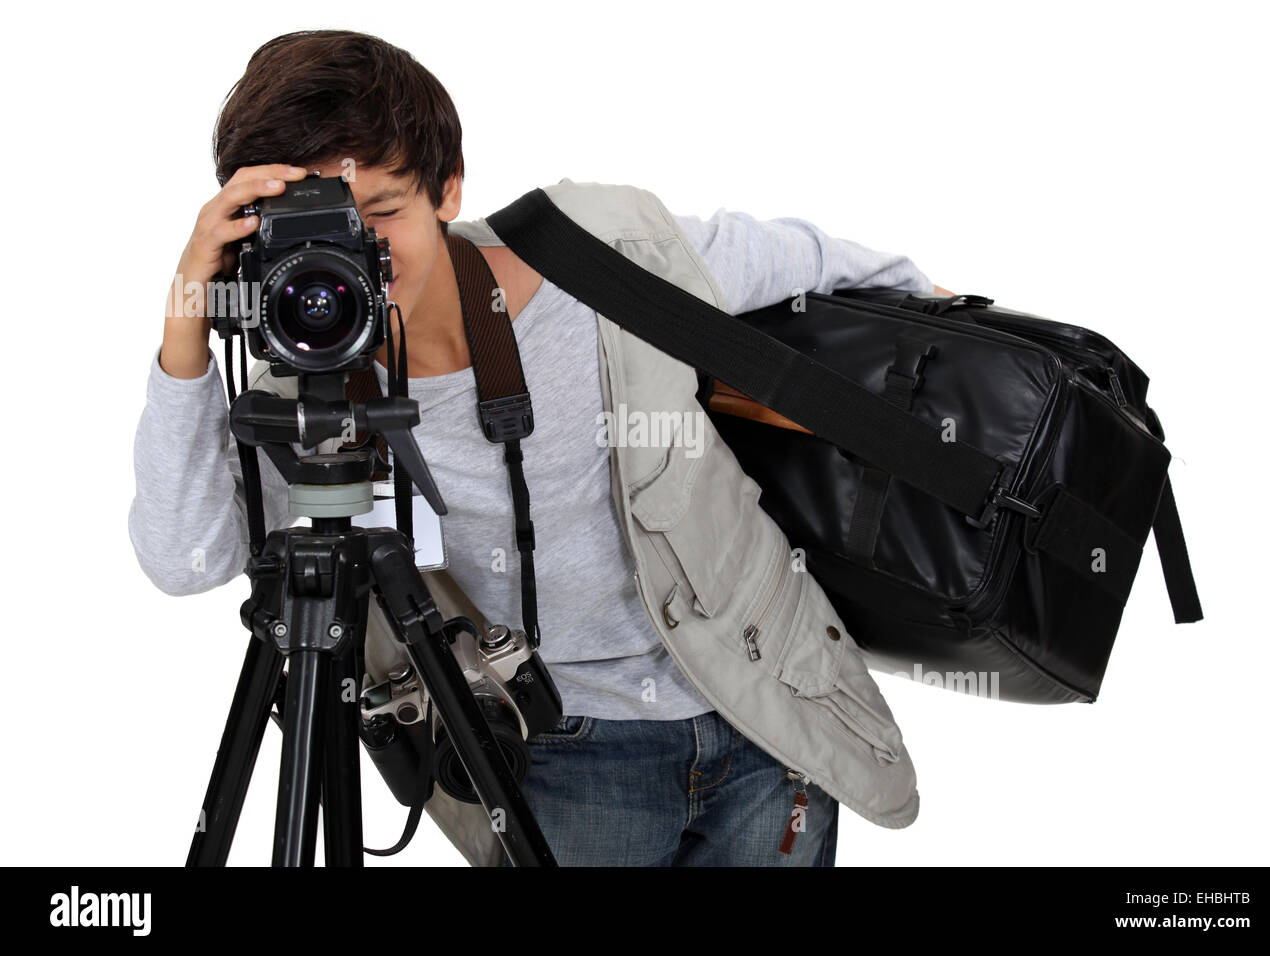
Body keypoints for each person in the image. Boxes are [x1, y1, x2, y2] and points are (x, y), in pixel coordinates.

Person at [129, 29, 947, 867]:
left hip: (764, 706)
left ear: (446, 189)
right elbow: (184, 558)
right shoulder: (302, 397)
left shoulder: (599, 254)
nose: (360, 258)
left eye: (379, 215)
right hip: (556, 756)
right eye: (315, 237)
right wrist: (189, 310)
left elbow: (803, 264)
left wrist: (948, 321)